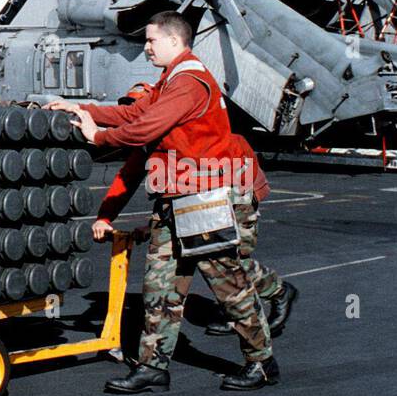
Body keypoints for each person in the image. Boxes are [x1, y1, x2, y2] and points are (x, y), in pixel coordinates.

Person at [49, 11, 280, 393]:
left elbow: (144, 129)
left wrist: (98, 137)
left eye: (152, 40)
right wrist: (83, 109)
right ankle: (152, 365)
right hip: (176, 200)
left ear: (176, 42)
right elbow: (135, 112)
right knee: (159, 288)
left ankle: (262, 362)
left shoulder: (188, 82)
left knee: (228, 285)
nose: (147, 47)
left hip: (203, 199)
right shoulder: (171, 80)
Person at [92, 128, 298, 339]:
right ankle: (238, 313)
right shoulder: (153, 137)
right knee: (213, 259)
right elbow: (130, 176)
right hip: (202, 200)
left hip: (234, 194)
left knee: (226, 260)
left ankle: (277, 292)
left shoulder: (200, 132)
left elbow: (212, 188)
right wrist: (105, 217)